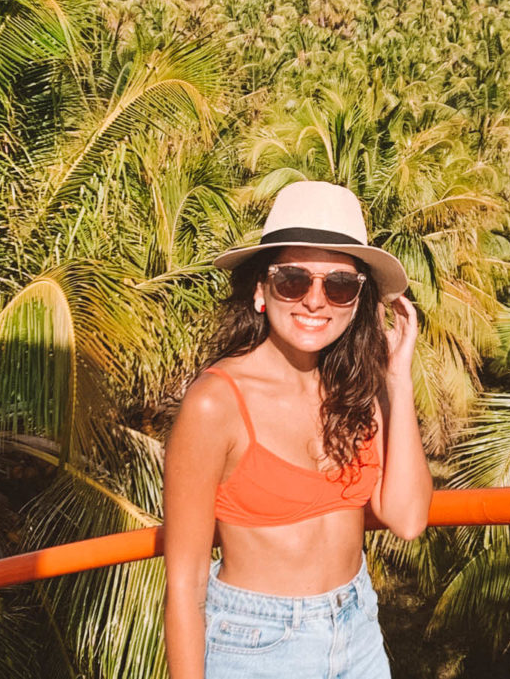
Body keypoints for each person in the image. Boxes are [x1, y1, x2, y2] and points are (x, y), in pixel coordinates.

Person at [163, 181, 433, 679]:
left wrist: (397, 377)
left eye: (339, 285)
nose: (315, 300)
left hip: (358, 627)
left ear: (357, 302)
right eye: (293, 280)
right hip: (257, 644)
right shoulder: (215, 403)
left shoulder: (356, 390)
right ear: (261, 290)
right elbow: (185, 584)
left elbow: (409, 518)